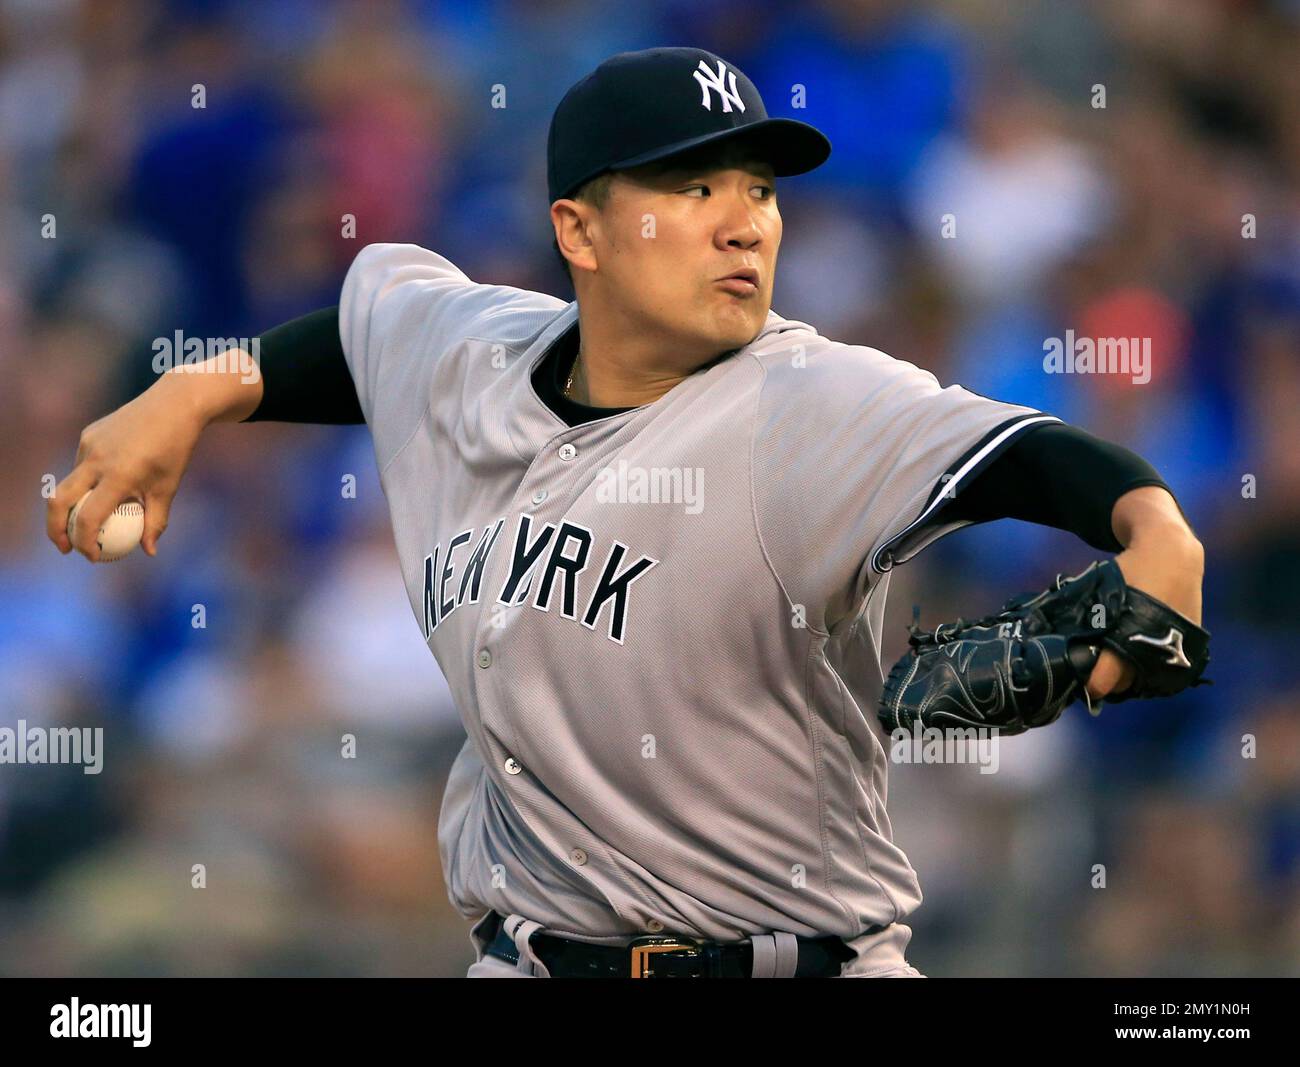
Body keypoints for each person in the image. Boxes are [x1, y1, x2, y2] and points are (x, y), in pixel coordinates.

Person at [48, 47, 1204, 978]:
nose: (744, 220)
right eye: (692, 186)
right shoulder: (471, 352)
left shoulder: (809, 400)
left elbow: (1025, 456)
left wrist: (1151, 521)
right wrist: (196, 391)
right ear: (578, 231)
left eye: (757, 188)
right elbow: (359, 339)